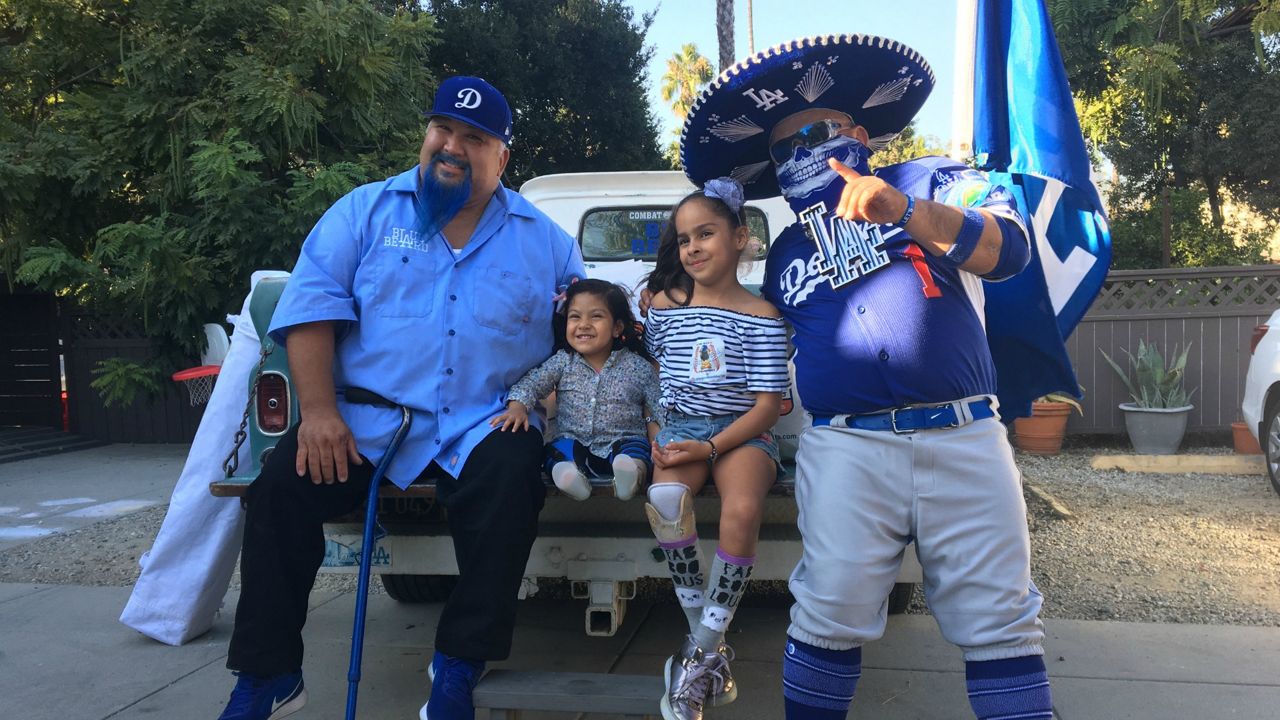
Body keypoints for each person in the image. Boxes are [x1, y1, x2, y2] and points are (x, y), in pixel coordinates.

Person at [676, 36, 1053, 719]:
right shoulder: (786, 246)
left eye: (814, 136)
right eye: (783, 150)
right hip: (846, 445)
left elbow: (1010, 250)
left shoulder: (932, 178)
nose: (799, 157)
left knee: (1000, 621)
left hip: (963, 432)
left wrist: (905, 213)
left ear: (856, 134)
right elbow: (752, 341)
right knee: (827, 615)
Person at [214, 75, 584, 720]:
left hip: (481, 422)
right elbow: (309, 311)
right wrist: (321, 414)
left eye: (474, 137)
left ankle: (459, 663)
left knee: (513, 473)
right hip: (366, 423)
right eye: (442, 128)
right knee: (279, 489)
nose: (451, 146)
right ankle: (269, 675)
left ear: (502, 157)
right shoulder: (363, 212)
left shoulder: (546, 241)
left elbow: (584, 331)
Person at [641, 177, 789, 720]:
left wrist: (707, 447)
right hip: (679, 425)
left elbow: (767, 407)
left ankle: (699, 653)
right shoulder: (663, 304)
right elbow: (656, 378)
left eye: (706, 233)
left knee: (743, 507)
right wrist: (659, 434)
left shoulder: (763, 316)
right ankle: (708, 643)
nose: (693, 247)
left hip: (743, 432)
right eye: (684, 239)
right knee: (665, 501)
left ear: (740, 238)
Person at [490, 278, 662, 501]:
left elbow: (659, 405)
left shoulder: (638, 366)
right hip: (574, 441)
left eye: (596, 316)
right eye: (575, 317)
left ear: (617, 327)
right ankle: (569, 478)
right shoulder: (563, 362)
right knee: (557, 452)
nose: (583, 324)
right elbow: (531, 383)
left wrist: (667, 439)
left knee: (636, 451)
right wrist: (517, 407)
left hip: (623, 441)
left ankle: (631, 475)